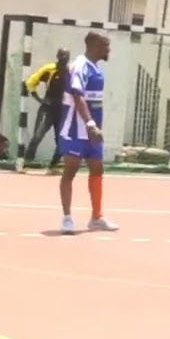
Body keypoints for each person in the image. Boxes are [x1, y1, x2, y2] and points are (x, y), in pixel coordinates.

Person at [58, 32, 118, 235]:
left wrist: (95, 126)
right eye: (105, 45)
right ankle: (67, 218)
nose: (108, 49)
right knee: (70, 171)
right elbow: (78, 97)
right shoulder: (80, 66)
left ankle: (97, 217)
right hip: (75, 130)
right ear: (93, 45)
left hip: (93, 131)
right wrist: (90, 123)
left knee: (97, 169)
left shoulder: (96, 68)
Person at [23, 48, 70, 171]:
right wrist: (39, 99)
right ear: (57, 56)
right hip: (48, 109)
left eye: (66, 56)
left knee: (62, 140)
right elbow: (30, 83)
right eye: (62, 55)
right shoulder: (49, 69)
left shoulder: (71, 72)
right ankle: (27, 162)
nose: (64, 58)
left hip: (62, 111)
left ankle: (53, 166)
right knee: (38, 135)